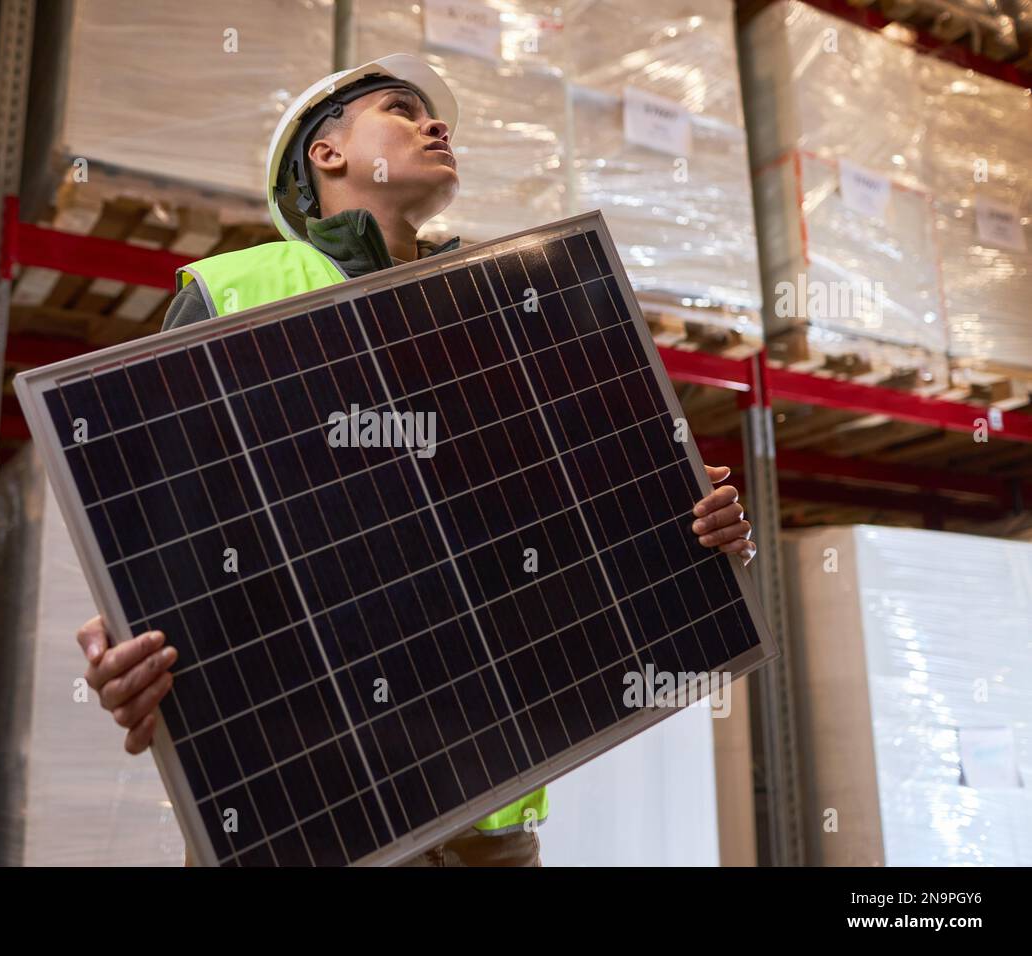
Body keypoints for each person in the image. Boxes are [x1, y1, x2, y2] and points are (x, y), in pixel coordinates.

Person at [74, 54, 757, 867]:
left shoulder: (504, 309)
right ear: (326, 155)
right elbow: (162, 526)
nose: (435, 125)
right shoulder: (235, 292)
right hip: (302, 802)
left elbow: (561, 522)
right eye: (402, 109)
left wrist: (694, 531)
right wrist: (128, 636)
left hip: (489, 803)